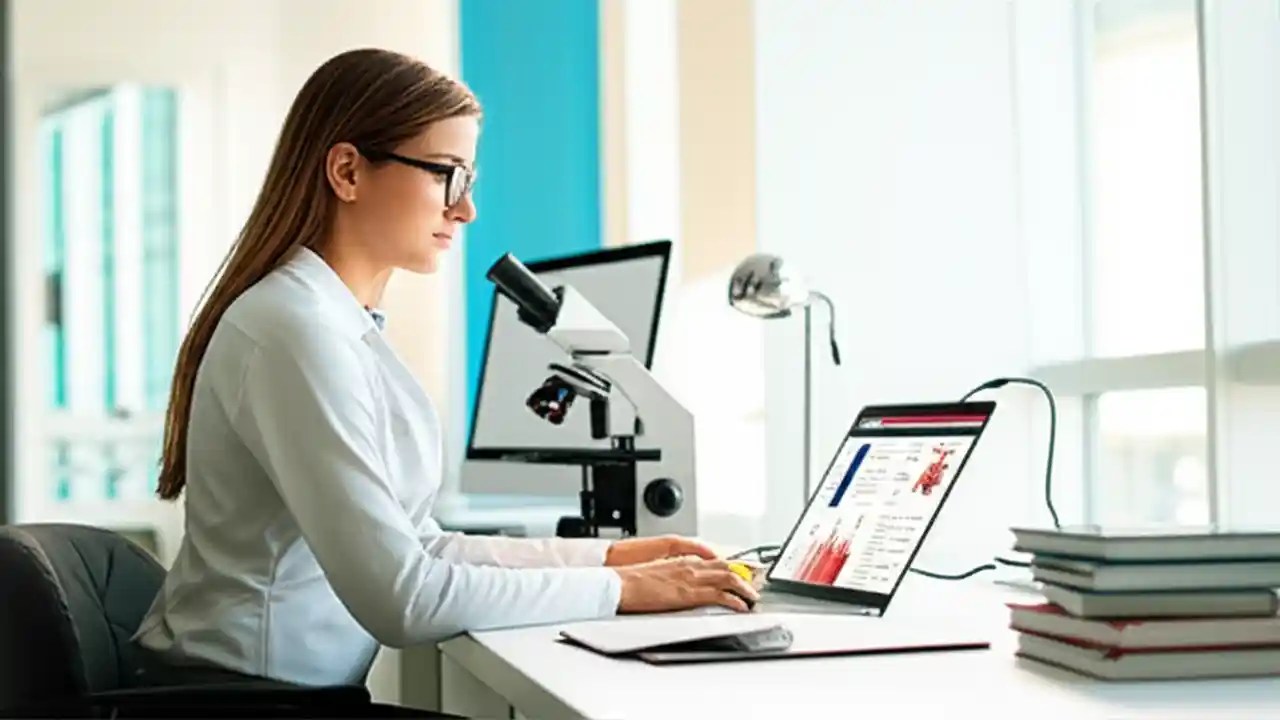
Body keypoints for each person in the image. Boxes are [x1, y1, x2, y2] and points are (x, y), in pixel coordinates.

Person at [129, 47, 758, 710]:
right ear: (347, 171)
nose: (467, 211)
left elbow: (422, 545)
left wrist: (608, 562)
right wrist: (624, 592)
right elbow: (405, 600)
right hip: (234, 702)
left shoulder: (339, 324)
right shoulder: (294, 331)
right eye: (448, 177)